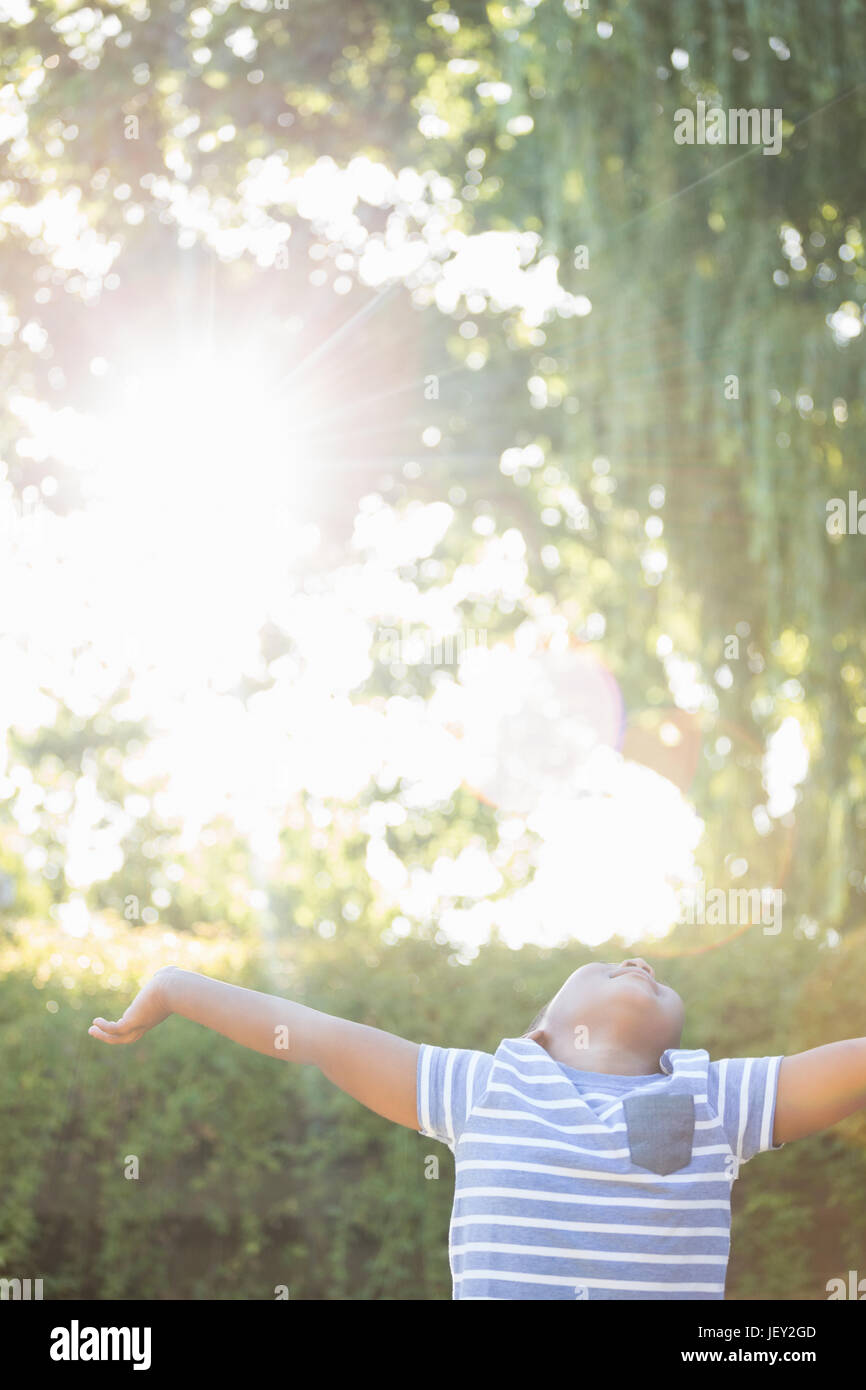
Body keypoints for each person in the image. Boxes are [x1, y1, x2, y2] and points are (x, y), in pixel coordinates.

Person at [88, 956, 866, 1300]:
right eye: (606, 965)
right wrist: (176, 987)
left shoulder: (716, 1096)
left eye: (652, 971)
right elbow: (317, 1036)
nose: (638, 960)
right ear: (541, 1033)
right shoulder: (493, 1083)